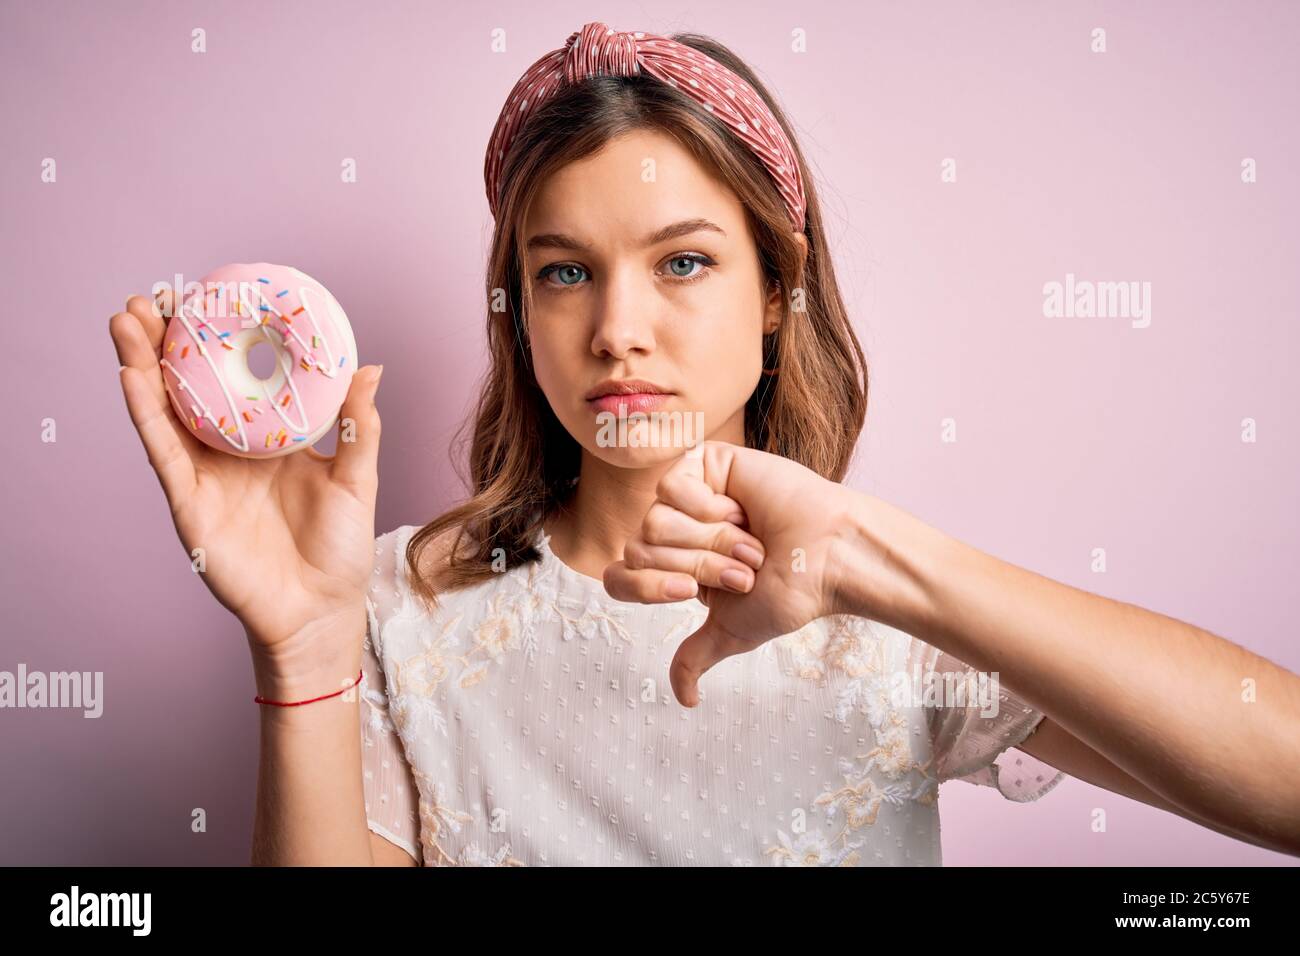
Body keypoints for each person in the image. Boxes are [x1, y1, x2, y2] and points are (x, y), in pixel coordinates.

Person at [109, 22, 1300, 866]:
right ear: (519, 311)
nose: (617, 331)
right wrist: (306, 648)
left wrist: (873, 558)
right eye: (564, 271)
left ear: (777, 289)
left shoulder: (884, 621)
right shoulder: (394, 601)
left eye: (683, 260)